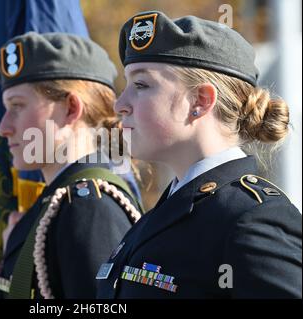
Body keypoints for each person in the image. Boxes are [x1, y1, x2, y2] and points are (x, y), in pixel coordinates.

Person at [96, 10, 302, 299]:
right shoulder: (167, 211)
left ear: (200, 101)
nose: (120, 104)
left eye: (141, 85)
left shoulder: (251, 219)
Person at [0, 32, 143, 299]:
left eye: (17, 106)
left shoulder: (89, 207)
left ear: (71, 108)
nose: (4, 128)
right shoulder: (62, 201)